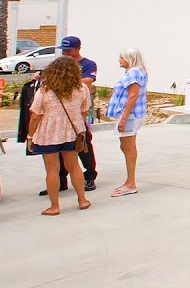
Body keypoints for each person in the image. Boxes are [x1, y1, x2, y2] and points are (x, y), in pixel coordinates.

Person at [27, 56, 91, 216]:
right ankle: (82, 200)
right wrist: (80, 130)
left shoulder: (45, 90)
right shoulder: (82, 88)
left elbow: (35, 115)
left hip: (48, 133)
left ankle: (54, 206)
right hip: (71, 131)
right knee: (74, 167)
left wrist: (30, 136)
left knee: (52, 170)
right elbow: (83, 111)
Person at [53, 35, 99, 193]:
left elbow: (88, 80)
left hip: (81, 111)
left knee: (83, 144)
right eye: (64, 50)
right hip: (61, 112)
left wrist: (67, 82)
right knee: (60, 146)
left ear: (78, 48)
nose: (66, 53)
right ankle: (61, 180)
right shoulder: (59, 64)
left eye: (69, 50)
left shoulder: (87, 64)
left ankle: (90, 177)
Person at [106, 48, 148, 197]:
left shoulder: (134, 73)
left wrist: (123, 118)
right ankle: (129, 181)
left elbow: (133, 95)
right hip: (130, 115)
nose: (119, 60)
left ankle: (131, 183)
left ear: (129, 59)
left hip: (130, 116)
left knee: (128, 147)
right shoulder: (137, 71)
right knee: (126, 146)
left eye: (121, 57)